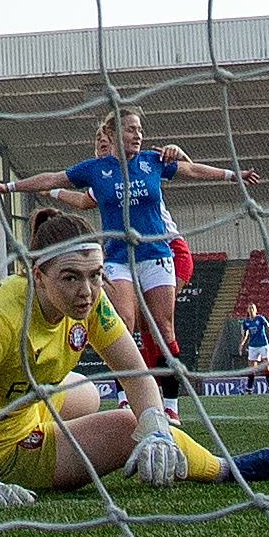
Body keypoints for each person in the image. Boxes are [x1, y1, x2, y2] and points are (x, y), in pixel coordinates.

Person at [0, 208, 269, 504]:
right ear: (37, 276)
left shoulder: (91, 301)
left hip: (23, 402)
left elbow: (135, 372)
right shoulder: (0, 319)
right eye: (71, 278)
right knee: (125, 426)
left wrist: (158, 429)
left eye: (96, 275)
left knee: (89, 393)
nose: (87, 290)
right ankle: (225, 470)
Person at [32, 115, 208, 401]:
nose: (102, 152)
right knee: (132, 324)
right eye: (99, 148)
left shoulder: (142, 165)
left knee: (156, 326)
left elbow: (183, 167)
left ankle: (161, 395)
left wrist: (177, 149)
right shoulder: (106, 175)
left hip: (170, 248)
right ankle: (139, 392)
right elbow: (82, 201)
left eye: (104, 145)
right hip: (127, 254)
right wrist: (51, 190)